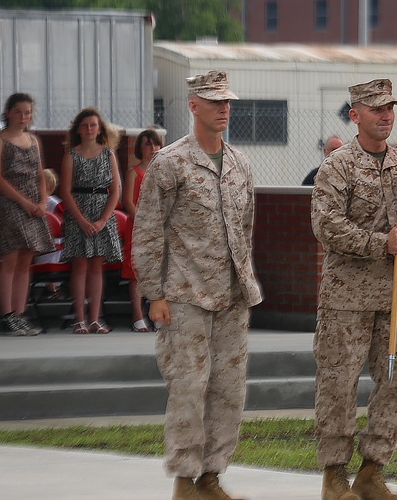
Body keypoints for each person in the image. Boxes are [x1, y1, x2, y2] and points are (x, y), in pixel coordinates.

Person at [310, 78, 397, 500]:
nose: (386, 116)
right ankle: (335, 475)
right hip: (348, 297)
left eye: (389, 108)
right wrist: (378, 242)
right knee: (339, 383)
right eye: (376, 110)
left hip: (396, 294)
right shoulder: (339, 165)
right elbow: (325, 224)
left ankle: (373, 470)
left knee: (396, 380)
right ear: (355, 116)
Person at [132, 70, 262, 500]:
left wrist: (246, 284)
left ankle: (212, 476)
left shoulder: (241, 164)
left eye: (227, 101)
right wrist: (155, 295)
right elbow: (148, 230)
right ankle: (185, 480)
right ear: (193, 106)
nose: (224, 108)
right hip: (185, 294)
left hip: (231, 296)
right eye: (214, 101)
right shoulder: (170, 163)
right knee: (189, 387)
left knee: (229, 390)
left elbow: (244, 228)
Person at [0, 93, 55, 336]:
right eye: (18, 111)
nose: (23, 117)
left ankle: (19, 314)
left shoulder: (34, 140)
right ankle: (7, 316)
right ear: (7, 113)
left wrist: (42, 201)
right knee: (11, 260)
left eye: (27, 112)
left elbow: (40, 174)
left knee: (26, 261)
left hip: (33, 204)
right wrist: (25, 202)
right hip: (10, 204)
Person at [60, 107, 123, 334]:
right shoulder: (71, 154)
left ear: (99, 129)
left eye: (93, 125)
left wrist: (103, 220)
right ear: (78, 129)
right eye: (85, 125)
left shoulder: (109, 154)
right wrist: (82, 221)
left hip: (102, 212)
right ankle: (79, 319)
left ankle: (95, 319)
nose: (89, 129)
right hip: (78, 212)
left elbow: (115, 190)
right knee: (79, 267)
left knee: (97, 267)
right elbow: (66, 192)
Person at [121, 128, 163, 333]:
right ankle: (138, 316)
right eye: (148, 144)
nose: (153, 149)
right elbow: (127, 201)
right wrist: (144, 220)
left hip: (158, 230)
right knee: (136, 273)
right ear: (140, 148)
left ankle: (156, 314)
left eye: (156, 144)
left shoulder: (163, 173)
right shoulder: (133, 173)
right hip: (138, 229)